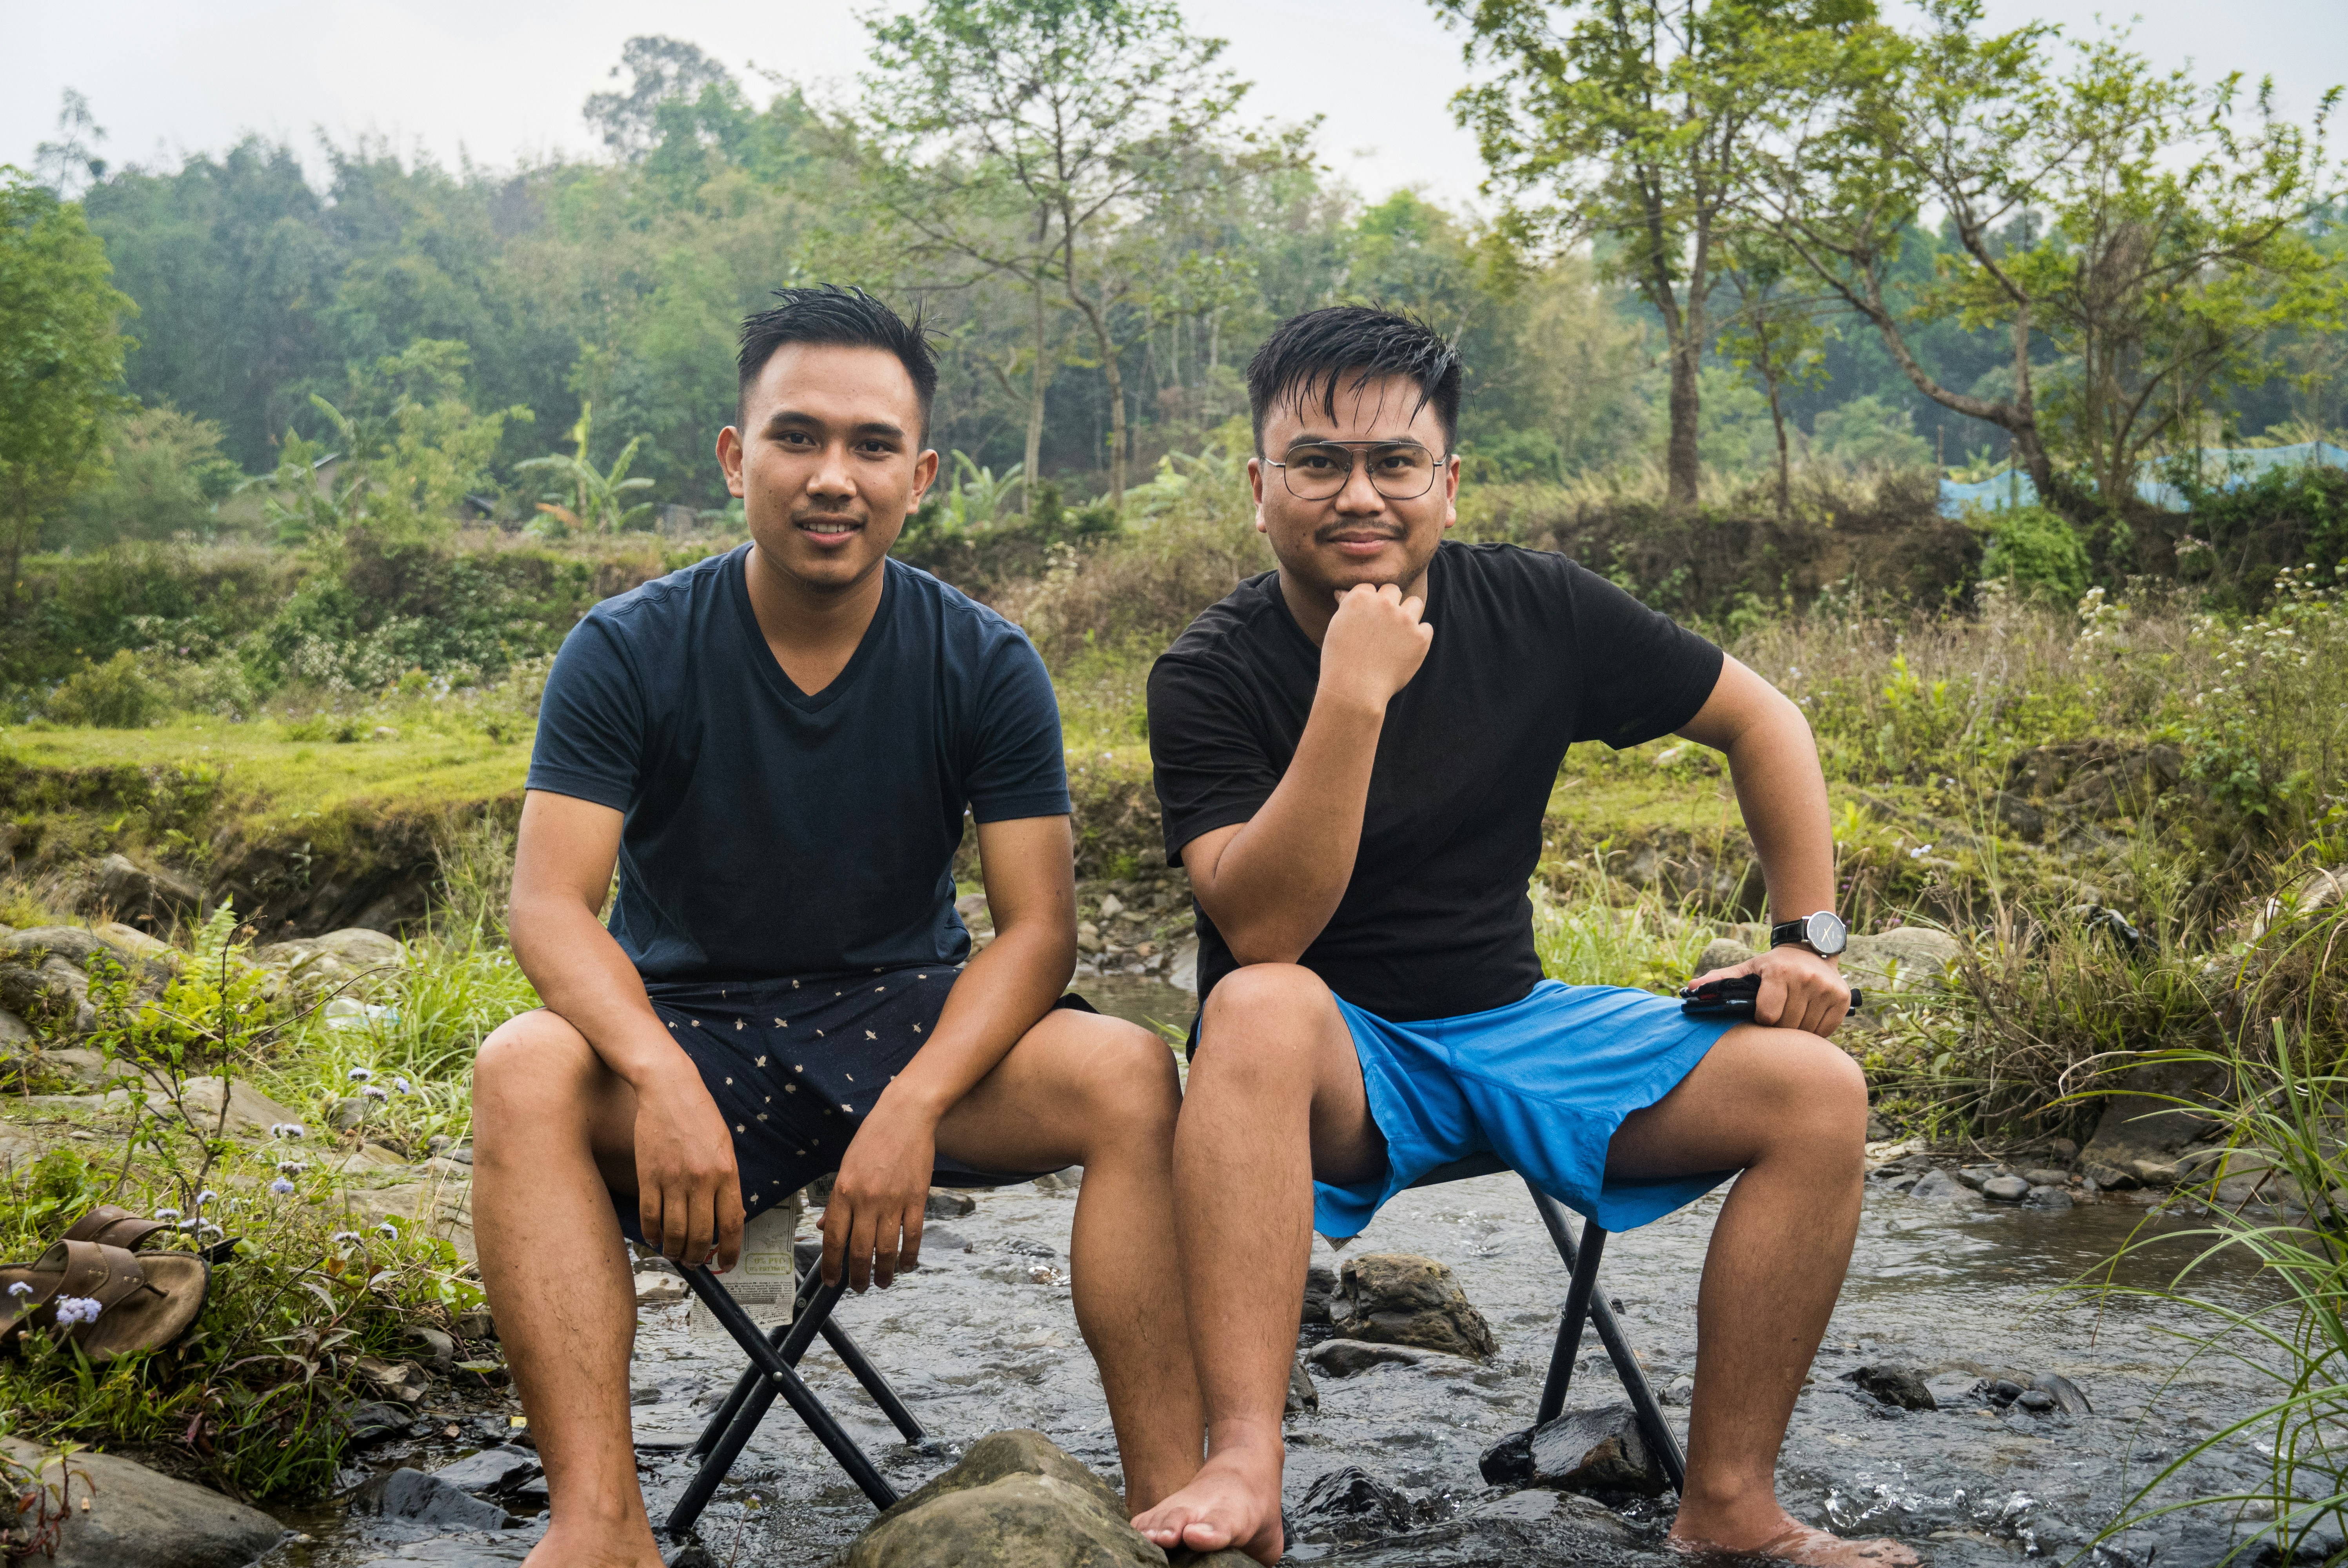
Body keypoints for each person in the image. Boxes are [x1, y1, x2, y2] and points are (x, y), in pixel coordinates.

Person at [1128, 306, 1915, 1568]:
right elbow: (1266, 925)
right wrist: (1352, 688)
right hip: (1328, 1067)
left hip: (1515, 1025)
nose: (1358, 494)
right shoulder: (1208, 672)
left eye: (1395, 462)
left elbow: (1766, 721)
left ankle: (1729, 1508)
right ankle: (1246, 1461)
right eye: (1317, 462)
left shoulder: (1538, 606)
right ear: (1260, 487)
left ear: (1448, 482)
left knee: (1815, 1090)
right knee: (1259, 1001)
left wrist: (1804, 941)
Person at [471, 285, 1203, 1568]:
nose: (833, 478)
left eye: (872, 447)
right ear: (735, 455)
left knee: (1130, 1070)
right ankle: (602, 1524)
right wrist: (655, 1073)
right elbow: (548, 903)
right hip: (689, 1026)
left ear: (918, 475)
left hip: (901, 1015)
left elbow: (1038, 935)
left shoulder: (983, 660)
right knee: (522, 1069)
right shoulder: (628, 649)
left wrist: (917, 1102)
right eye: (797, 438)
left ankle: (1175, 1507)